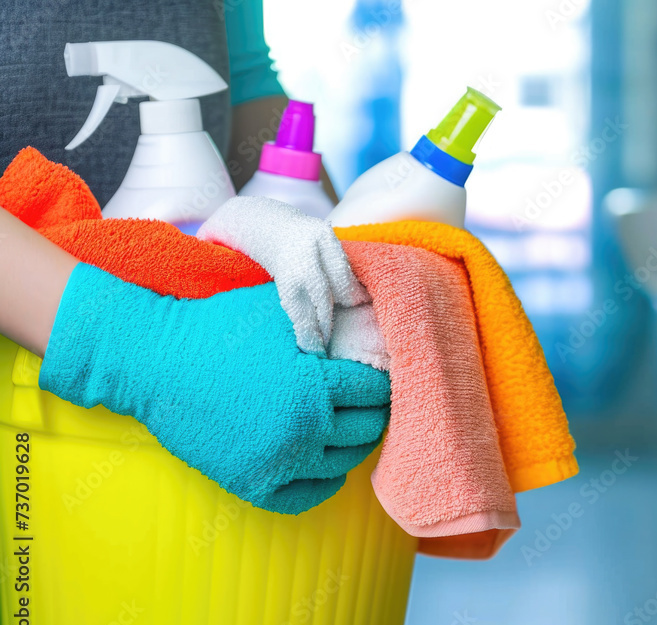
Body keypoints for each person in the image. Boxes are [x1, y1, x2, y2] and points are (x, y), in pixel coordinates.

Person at [0, 0, 389, 513]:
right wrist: (135, 347)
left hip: (219, 402)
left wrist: (349, 275)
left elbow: (245, 74)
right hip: (36, 397)